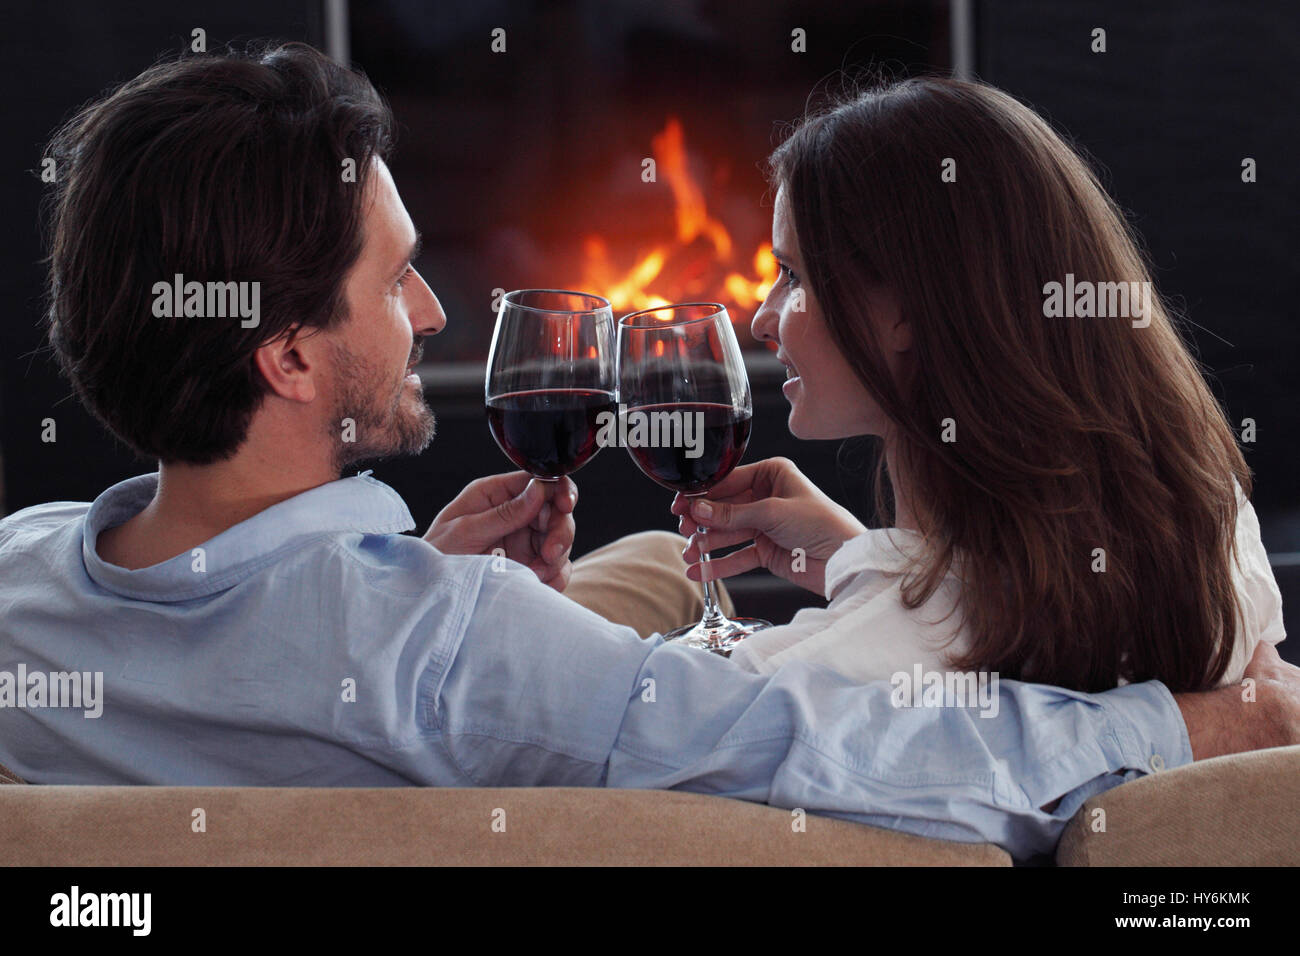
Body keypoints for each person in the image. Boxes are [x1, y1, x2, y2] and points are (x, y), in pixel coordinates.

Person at [0, 44, 1295, 863]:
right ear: (284, 358)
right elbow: (828, 754)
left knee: (639, 567)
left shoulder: (25, 586)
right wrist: (1183, 725)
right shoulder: (447, 648)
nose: (441, 313)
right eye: (400, 283)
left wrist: (426, 578)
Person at [675, 77, 1286, 692]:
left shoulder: (796, 681)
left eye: (793, 275)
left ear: (909, 309)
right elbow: (976, 609)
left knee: (655, 569)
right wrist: (865, 558)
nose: (762, 319)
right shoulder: (1219, 538)